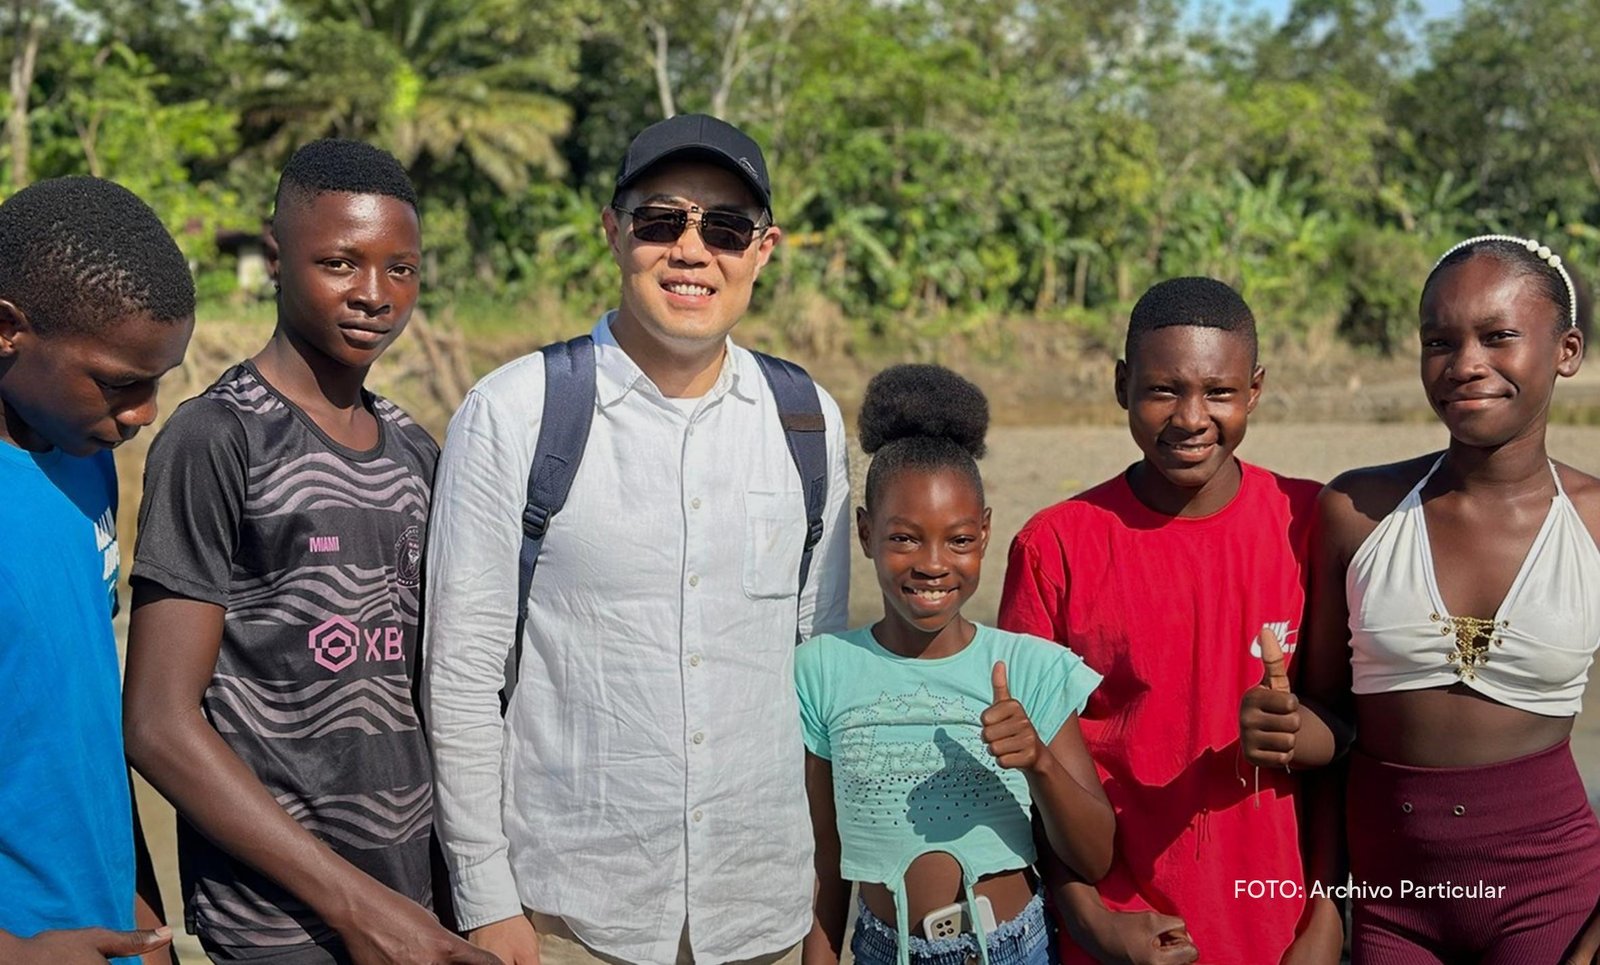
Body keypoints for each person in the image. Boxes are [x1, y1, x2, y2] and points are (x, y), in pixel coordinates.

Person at [424, 112, 851, 965]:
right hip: (567, 922)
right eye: (663, 221)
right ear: (615, 233)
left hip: (761, 916)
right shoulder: (515, 412)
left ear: (762, 251)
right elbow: (461, 675)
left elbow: (820, 680)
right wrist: (487, 900)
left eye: (726, 228)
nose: (692, 251)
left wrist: (821, 903)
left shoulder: (807, 421)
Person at [122, 139, 492, 965]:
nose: (374, 295)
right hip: (282, 926)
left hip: (416, 912)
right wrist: (357, 908)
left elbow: (432, 692)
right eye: (339, 261)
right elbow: (157, 723)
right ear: (275, 254)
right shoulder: (218, 438)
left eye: (402, 269)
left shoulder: (415, 451)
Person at [1241, 234, 1600, 964]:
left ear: (1566, 349)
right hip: (1392, 902)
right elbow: (1329, 721)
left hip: (1552, 897)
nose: (1466, 363)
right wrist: (1324, 903)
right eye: (1440, 340)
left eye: (1498, 336)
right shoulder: (1359, 509)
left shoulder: (1593, 522)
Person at [997, 277, 1341, 965]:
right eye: (1163, 389)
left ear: (1255, 390)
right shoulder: (1055, 546)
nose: (1191, 417)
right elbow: (1029, 777)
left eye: (1218, 391)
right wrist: (1094, 924)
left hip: (1281, 935)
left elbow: (1351, 745)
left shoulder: (1310, 522)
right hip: (1128, 934)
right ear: (1122, 384)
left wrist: (1328, 922)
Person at [798, 364, 1112, 965]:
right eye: (904, 538)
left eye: (959, 540)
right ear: (865, 533)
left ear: (986, 533)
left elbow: (1096, 855)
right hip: (881, 950)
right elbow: (826, 858)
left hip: (1013, 948)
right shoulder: (822, 671)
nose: (933, 564)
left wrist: (1039, 763)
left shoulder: (1030, 669)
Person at [0, 175, 195, 963]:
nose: (145, 411)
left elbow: (74, 721)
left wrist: (142, 908)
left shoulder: (83, 458)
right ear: (7, 328)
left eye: (158, 381)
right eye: (120, 382)